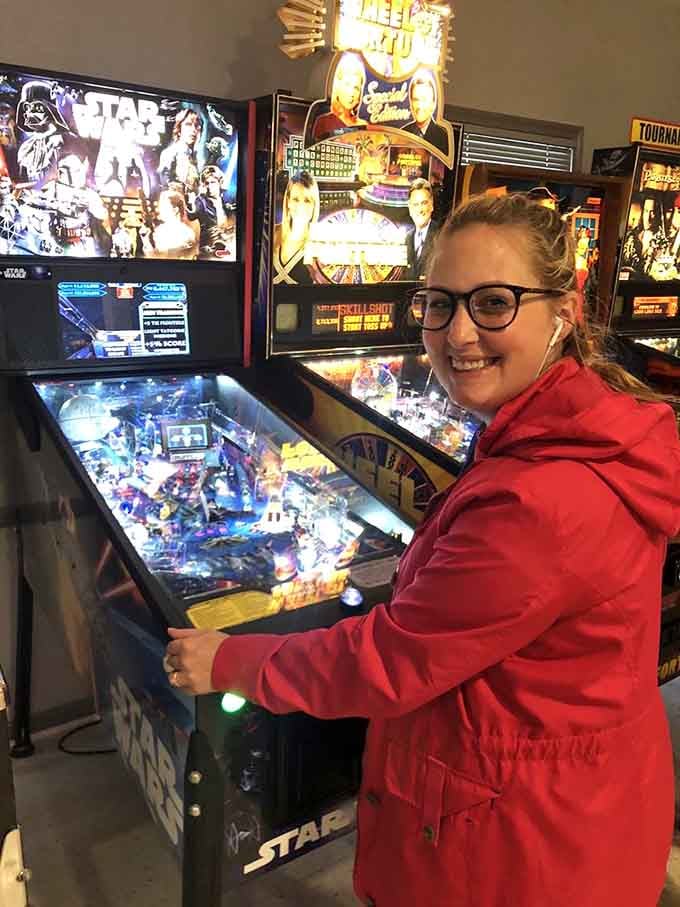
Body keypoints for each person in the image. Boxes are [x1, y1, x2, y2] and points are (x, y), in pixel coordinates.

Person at [164, 192, 680, 907]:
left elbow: (388, 662)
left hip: (518, 850)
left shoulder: (545, 499)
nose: (458, 333)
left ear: (565, 309)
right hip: (574, 803)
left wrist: (229, 659)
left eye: (494, 302)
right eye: (439, 303)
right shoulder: (576, 427)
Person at [272, 171, 319, 285]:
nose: (301, 207)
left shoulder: (319, 245)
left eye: (307, 201)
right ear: (288, 201)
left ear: (314, 205)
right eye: (296, 199)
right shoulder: (271, 233)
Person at [310, 53, 368, 142]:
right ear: (337, 87)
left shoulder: (363, 125)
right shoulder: (324, 121)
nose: (351, 93)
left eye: (356, 88)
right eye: (347, 85)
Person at [158, 108, 203, 201]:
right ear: (179, 128)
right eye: (188, 124)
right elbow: (164, 184)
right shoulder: (170, 153)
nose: (194, 130)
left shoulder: (194, 156)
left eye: (197, 125)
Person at [140, 189, 198, 259]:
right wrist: (146, 239)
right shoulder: (158, 231)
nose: (160, 210)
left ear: (175, 210)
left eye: (164, 207)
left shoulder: (187, 233)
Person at [402, 69, 450, 156]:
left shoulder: (443, 137)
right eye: (416, 100)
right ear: (411, 103)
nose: (419, 106)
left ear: (433, 103)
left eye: (424, 100)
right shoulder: (403, 134)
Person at [405, 178, 437, 280]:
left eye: (424, 203)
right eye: (415, 204)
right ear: (410, 209)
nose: (420, 210)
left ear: (431, 205)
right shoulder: (407, 238)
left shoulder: (442, 235)